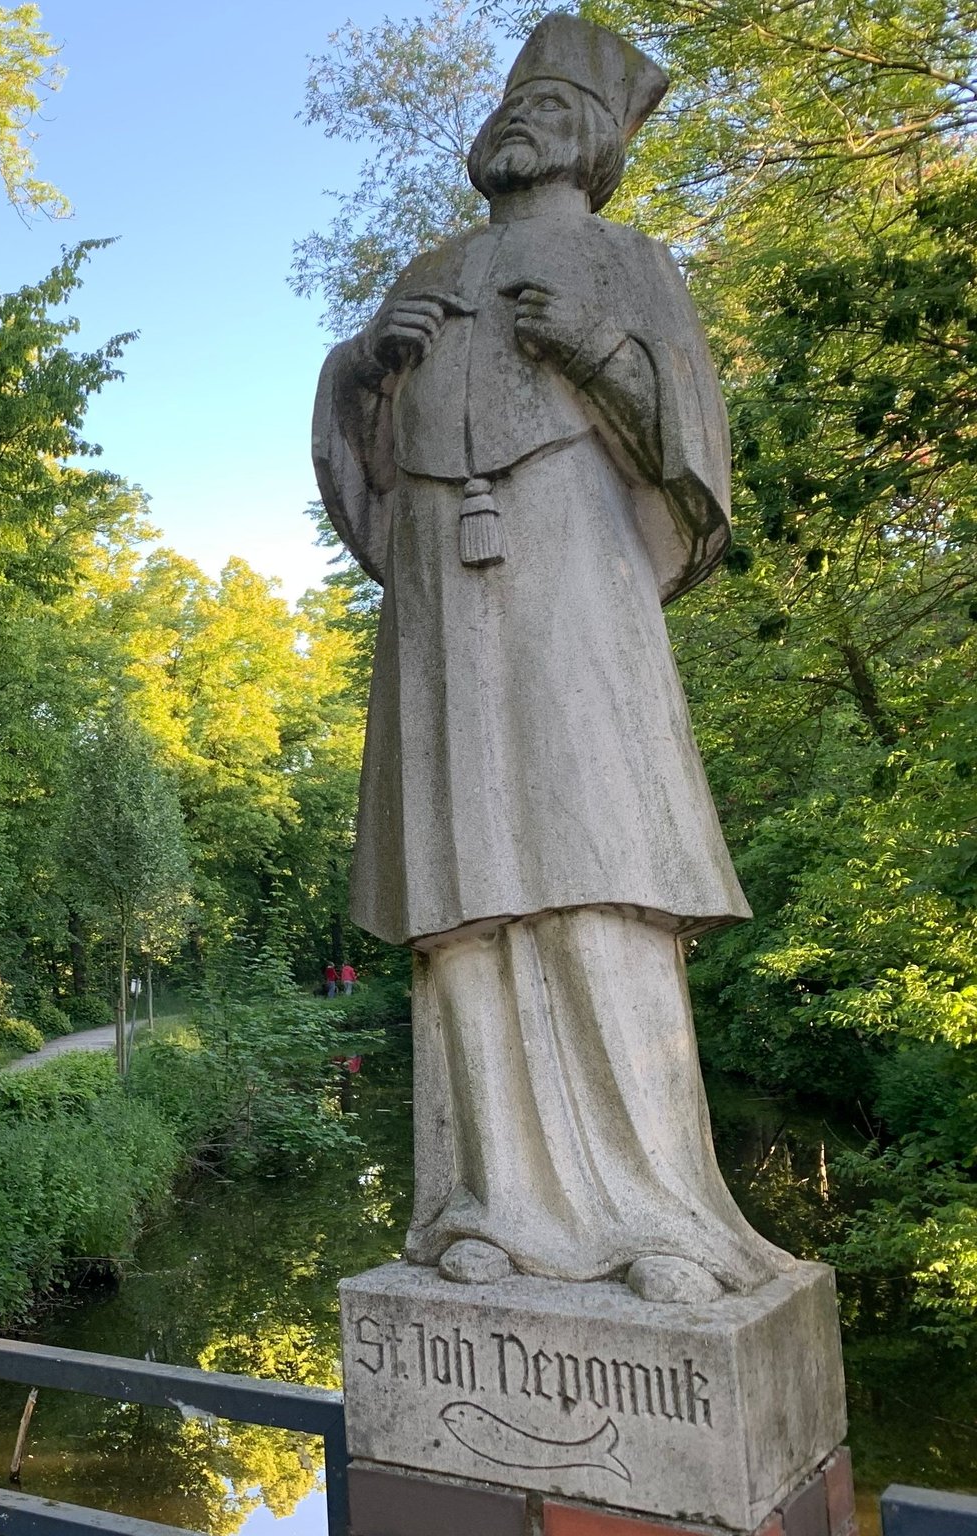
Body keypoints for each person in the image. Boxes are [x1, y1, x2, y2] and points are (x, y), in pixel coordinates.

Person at [311, 14, 792, 1303]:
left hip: (575, 584)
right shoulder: (429, 265)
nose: (518, 117)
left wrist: (595, 350)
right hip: (441, 602)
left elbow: (692, 454)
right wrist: (364, 368)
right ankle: (491, 1204)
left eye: (547, 104)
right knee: (463, 895)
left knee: (597, 869)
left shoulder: (632, 262)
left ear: (592, 137)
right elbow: (362, 464)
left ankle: (658, 1217)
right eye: (511, 103)